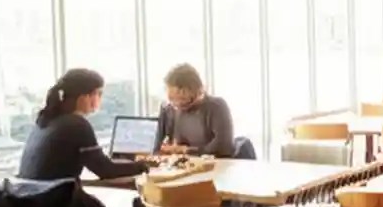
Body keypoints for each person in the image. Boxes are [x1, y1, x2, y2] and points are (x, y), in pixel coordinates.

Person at [17, 69, 148, 181]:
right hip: (55, 204)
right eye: (99, 93)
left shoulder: (45, 121)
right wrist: (143, 166)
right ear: (84, 97)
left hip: (32, 203)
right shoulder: (76, 124)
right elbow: (105, 170)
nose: (100, 99)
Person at [154, 63, 235, 158]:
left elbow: (224, 147)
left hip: (216, 165)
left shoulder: (216, 106)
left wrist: (186, 150)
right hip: (184, 166)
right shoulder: (170, 110)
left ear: (197, 91)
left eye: (182, 99)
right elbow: (159, 147)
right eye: (172, 99)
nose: (177, 104)